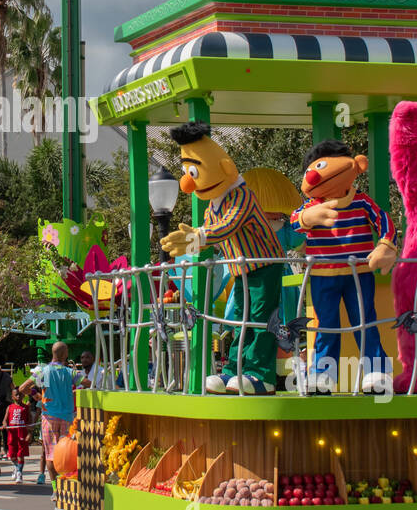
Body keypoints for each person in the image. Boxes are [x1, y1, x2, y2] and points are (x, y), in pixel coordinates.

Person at [161, 122, 285, 395]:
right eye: (186, 173)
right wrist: (187, 245)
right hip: (241, 271)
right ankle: (235, 368)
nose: (187, 183)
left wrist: (196, 238)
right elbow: (210, 237)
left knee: (261, 318)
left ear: (226, 168)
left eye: (192, 173)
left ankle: (261, 374)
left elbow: (228, 227)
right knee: (240, 319)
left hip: (265, 266)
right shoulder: (212, 208)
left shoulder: (242, 196)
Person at [290, 140, 398, 394]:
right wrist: (308, 217)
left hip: (358, 273)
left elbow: (384, 221)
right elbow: (295, 222)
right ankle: (321, 375)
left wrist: (385, 246)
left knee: (364, 322)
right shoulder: (311, 205)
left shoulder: (361, 201)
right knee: (326, 325)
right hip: (322, 275)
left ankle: (377, 372)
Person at [20, 342, 82, 488]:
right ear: (65, 354)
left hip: (49, 416)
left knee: (50, 453)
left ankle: (55, 488)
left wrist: (35, 394)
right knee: (68, 453)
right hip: (67, 417)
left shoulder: (43, 371)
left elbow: (23, 388)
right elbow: (88, 383)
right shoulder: (70, 372)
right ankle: (66, 485)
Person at [4, 386, 31, 483]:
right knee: (12, 455)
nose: (19, 396)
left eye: (20, 394)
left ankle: (19, 472)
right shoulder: (10, 407)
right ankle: (16, 466)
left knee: (20, 454)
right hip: (12, 434)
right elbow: (5, 420)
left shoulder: (26, 407)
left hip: (22, 433)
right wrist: (4, 425)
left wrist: (29, 433)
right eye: (16, 395)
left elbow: (30, 422)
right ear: (12, 397)